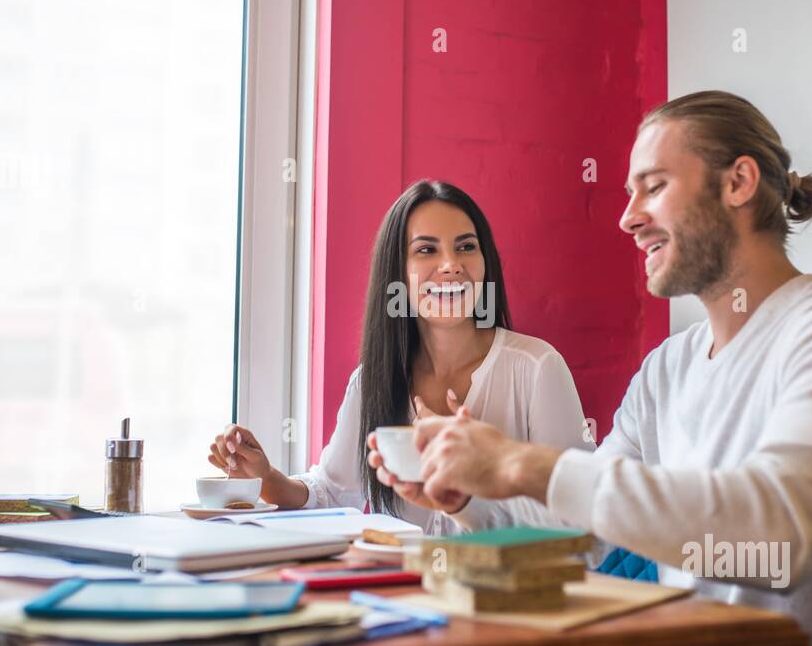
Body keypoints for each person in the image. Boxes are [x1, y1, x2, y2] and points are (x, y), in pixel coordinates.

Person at [373, 92, 812, 646]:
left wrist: (521, 460)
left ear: (738, 182)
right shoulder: (669, 367)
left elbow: (780, 535)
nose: (628, 218)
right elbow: (577, 541)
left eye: (653, 187)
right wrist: (466, 496)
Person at [209, 179, 594, 539]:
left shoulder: (537, 368)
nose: (451, 265)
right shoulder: (371, 382)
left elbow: (581, 510)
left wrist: (485, 470)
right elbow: (331, 492)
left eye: (466, 246)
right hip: (398, 596)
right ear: (397, 273)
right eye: (427, 250)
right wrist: (266, 478)